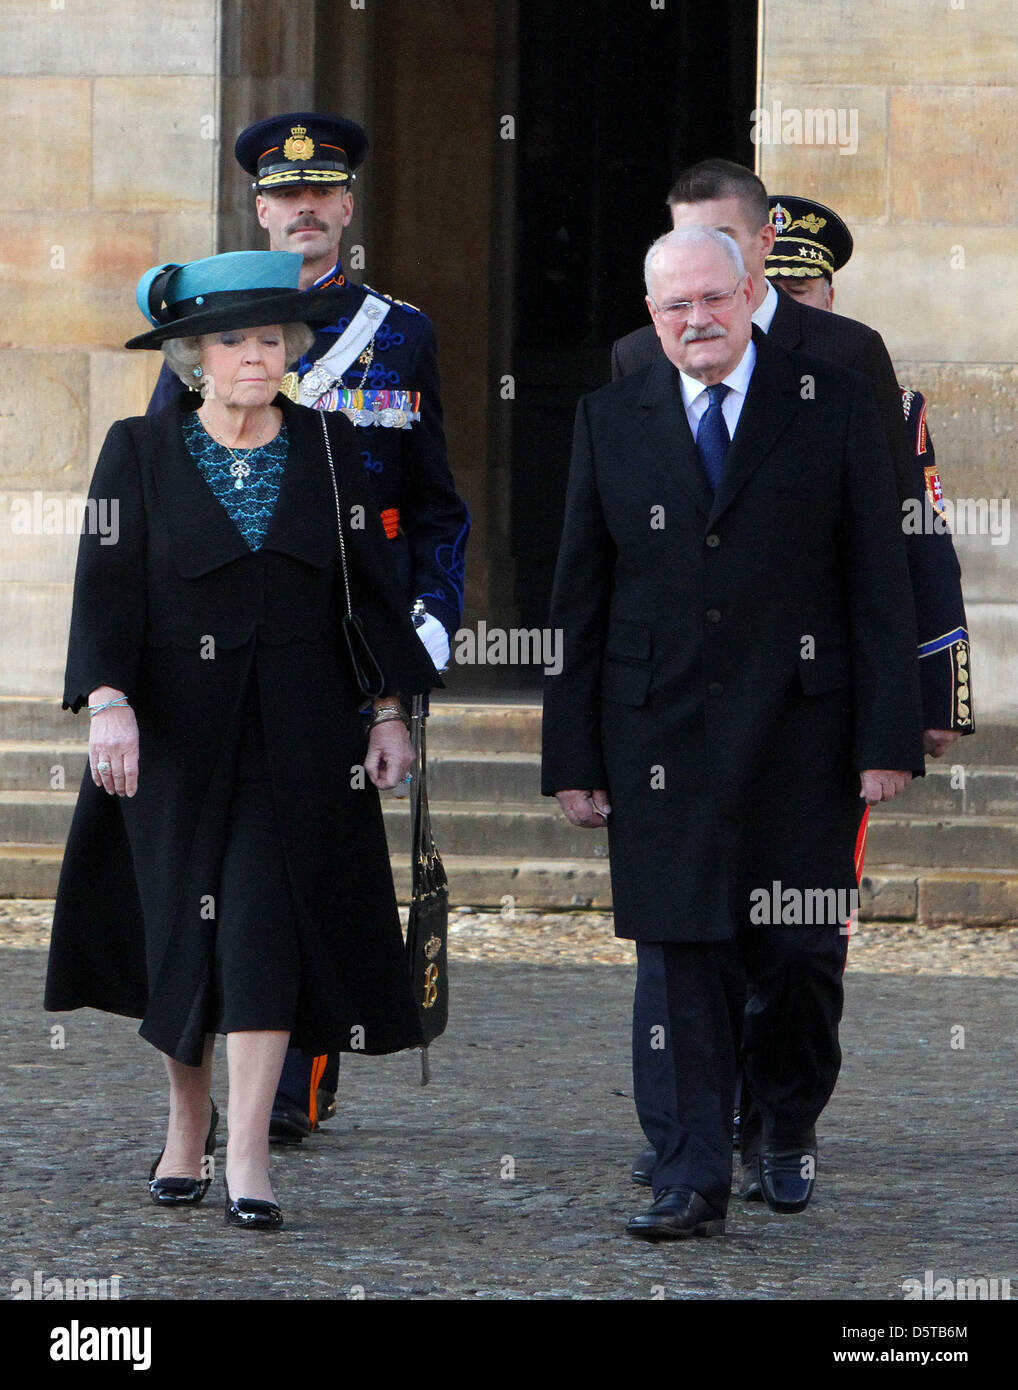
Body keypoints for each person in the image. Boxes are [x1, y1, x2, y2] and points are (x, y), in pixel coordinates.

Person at [45, 251, 439, 1231]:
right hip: (172, 740)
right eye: (235, 340)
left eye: (272, 337)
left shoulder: (333, 444)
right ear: (192, 356)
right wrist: (108, 701)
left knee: (262, 935)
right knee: (187, 937)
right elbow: (106, 585)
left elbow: (373, 591)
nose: (257, 356)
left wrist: (388, 710)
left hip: (298, 738)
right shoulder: (136, 451)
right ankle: (187, 1127)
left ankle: (251, 1153)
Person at [542, 227, 924, 1239]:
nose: (696, 321)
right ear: (651, 313)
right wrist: (571, 754)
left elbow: (878, 582)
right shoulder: (606, 417)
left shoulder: (831, 402)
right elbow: (578, 596)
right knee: (676, 958)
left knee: (796, 951)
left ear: (751, 291)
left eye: (713, 299)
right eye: (674, 307)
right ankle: (688, 1171)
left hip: (804, 730)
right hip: (654, 734)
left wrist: (890, 733)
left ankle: (785, 1124)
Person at [149, 110, 471, 1144]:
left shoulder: (400, 332)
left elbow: (435, 506)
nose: (302, 208)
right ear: (258, 207)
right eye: (283, 195)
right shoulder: (207, 322)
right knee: (223, 867)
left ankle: (294, 1085)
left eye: (320, 192)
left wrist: (422, 634)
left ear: (345, 205)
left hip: (342, 647)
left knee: (318, 867)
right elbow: (161, 488)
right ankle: (223, 1082)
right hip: (219, 649)